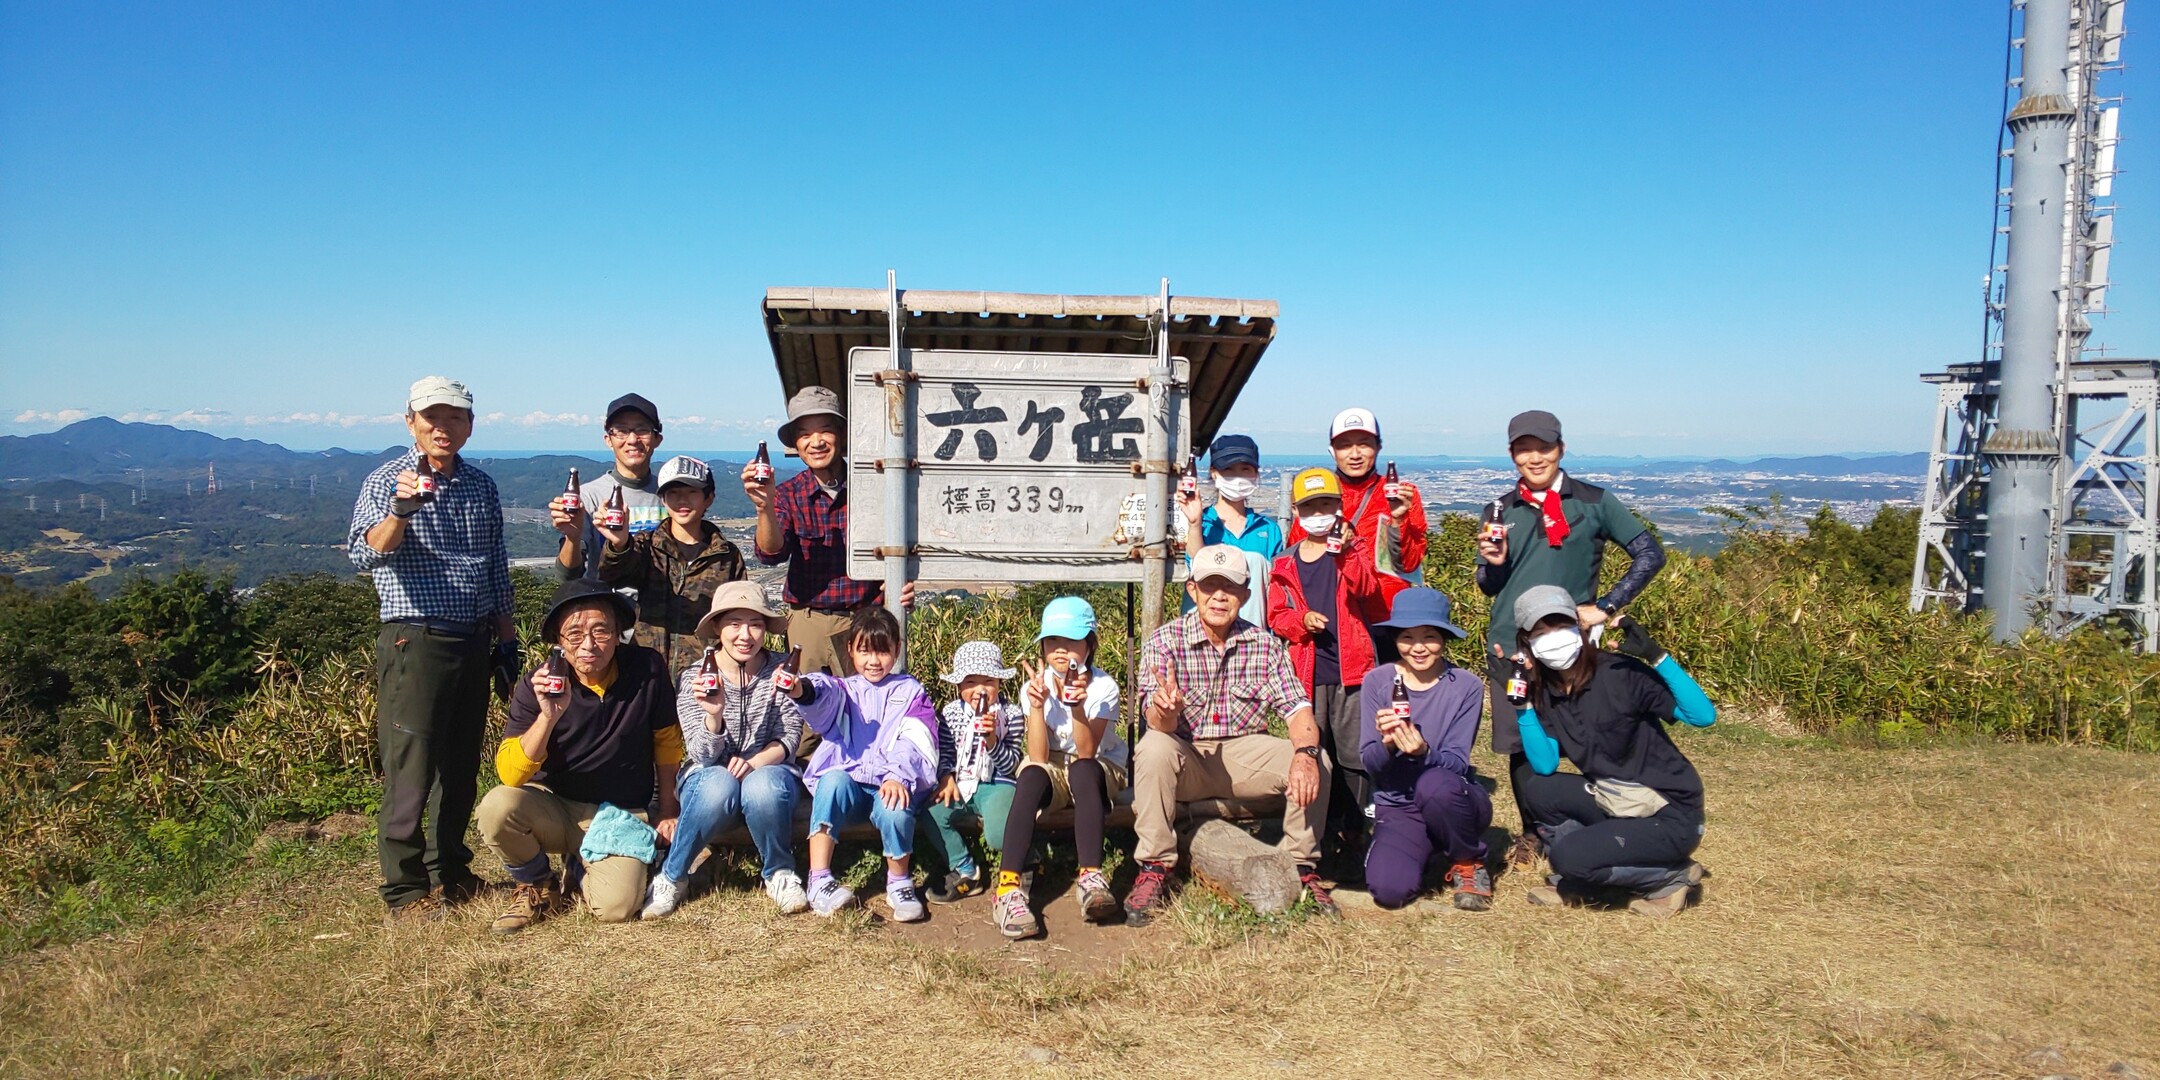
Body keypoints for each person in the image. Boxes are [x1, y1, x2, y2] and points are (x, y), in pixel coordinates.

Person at [346, 376, 516, 923]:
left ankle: (451, 872)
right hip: (414, 637)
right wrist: (400, 511)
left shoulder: (479, 485)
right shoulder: (385, 481)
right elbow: (363, 554)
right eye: (431, 418)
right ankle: (404, 889)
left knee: (460, 765)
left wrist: (506, 638)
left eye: (455, 417)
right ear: (410, 422)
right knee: (412, 767)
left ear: (470, 424)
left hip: (473, 636)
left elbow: (495, 564)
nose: (443, 427)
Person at [1476, 410, 1668, 870]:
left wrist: (1606, 605)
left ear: (1561, 449)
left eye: (1543, 447)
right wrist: (1494, 563)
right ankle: (1533, 833)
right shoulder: (1500, 509)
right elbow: (1488, 585)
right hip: (1511, 647)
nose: (1534, 457)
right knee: (1523, 745)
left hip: (1571, 649)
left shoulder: (1594, 502)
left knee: (1589, 739)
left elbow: (1649, 553)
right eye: (1524, 449)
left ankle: (1608, 825)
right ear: (1511, 454)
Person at [1127, 545, 1333, 926]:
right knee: (1154, 747)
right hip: (1187, 754)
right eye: (1210, 586)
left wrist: (1304, 753)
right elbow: (1156, 722)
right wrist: (1166, 711)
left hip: (1243, 754)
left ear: (1246, 595)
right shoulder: (1164, 641)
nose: (1219, 596)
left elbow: (1298, 710)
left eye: (1230, 587)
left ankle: (1301, 866)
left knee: (1314, 756)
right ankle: (1156, 865)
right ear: (1193, 590)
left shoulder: (1265, 646)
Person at [479, 579, 685, 933]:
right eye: (574, 634)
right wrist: (548, 716)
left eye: (601, 631)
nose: (588, 644)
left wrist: (668, 810)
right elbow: (510, 775)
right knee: (497, 807)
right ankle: (537, 883)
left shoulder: (646, 669)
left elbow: (667, 741)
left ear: (618, 634)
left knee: (617, 908)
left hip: (620, 813)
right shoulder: (538, 685)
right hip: (555, 806)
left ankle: (577, 865)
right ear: (559, 641)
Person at [1509, 585, 1713, 918]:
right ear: (1526, 642)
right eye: (1541, 632)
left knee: (1566, 857)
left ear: (1580, 627)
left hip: (1668, 810)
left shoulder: (1620, 673)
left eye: (1561, 625)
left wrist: (1657, 657)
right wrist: (1523, 707)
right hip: (1616, 799)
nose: (1553, 637)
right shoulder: (1547, 690)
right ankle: (1587, 873)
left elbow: (1702, 716)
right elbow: (1544, 764)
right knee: (1540, 790)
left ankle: (1667, 877)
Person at [1267, 467, 1408, 874]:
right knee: (1315, 749)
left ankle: (1354, 827)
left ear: (1339, 507)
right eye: (1310, 507)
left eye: (1326, 505)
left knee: (1354, 754)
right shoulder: (1285, 562)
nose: (1319, 513)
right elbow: (1277, 615)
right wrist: (1301, 621)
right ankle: (1319, 830)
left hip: (1353, 669)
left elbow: (1367, 588)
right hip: (1308, 671)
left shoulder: (1355, 548)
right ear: (1297, 511)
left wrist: (1344, 552)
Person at [641, 581, 807, 920]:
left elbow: (789, 737)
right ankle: (672, 875)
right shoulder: (696, 677)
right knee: (719, 783)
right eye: (734, 624)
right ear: (717, 627)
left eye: (755, 624)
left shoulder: (783, 670)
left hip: (770, 772)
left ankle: (779, 872)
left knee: (763, 785)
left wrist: (755, 762)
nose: (745, 635)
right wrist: (714, 716)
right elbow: (701, 754)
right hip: (710, 782)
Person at [747, 385, 913, 679]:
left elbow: (904, 542)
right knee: (804, 703)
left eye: (825, 430)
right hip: (807, 621)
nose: (816, 442)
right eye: (805, 434)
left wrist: (900, 578)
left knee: (865, 703)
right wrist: (764, 507)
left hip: (863, 619)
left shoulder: (873, 487)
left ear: (843, 435)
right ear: (796, 444)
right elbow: (770, 554)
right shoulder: (787, 494)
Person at [993, 596, 1129, 939]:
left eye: (1071, 640)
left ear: (1089, 645)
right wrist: (1037, 707)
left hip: (1099, 765)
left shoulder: (1103, 687)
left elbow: (1087, 752)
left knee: (1083, 771)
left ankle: (1091, 877)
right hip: (1052, 762)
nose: (1060, 649)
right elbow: (1038, 756)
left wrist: (1077, 707)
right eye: (1052, 640)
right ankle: (1008, 888)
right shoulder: (1033, 687)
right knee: (1030, 775)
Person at [796, 605, 938, 921]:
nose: (873, 661)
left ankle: (899, 882)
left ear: (897, 649)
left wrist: (897, 775)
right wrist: (801, 689)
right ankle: (819, 880)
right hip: (850, 785)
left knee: (896, 805)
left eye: (882, 651)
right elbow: (820, 693)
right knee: (832, 781)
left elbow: (916, 739)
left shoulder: (911, 691)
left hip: (889, 782)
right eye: (864, 651)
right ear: (850, 649)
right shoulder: (844, 689)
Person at [1357, 588, 1492, 911]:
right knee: (1389, 891)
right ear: (1395, 639)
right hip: (1398, 805)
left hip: (1452, 797)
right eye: (1407, 637)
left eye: (1429, 637)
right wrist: (1388, 745)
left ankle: (1468, 860)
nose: (1418, 648)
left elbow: (1457, 762)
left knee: (1434, 784)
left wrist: (1424, 753)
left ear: (1444, 638)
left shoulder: (1466, 686)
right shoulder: (1377, 681)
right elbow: (1369, 762)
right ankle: (1427, 846)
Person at [597, 455, 746, 675]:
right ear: (663, 500)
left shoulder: (727, 556)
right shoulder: (647, 546)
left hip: (705, 674)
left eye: (692, 492)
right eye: (673, 493)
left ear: (709, 498)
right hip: (646, 672)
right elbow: (613, 574)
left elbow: (740, 615)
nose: (682, 500)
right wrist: (619, 544)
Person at [919, 641, 1025, 906]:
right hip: (961, 784)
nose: (980, 690)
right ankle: (965, 868)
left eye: (988, 681)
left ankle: (1027, 856)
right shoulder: (951, 713)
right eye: (971, 682)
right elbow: (945, 753)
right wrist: (947, 777)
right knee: (931, 814)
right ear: (959, 686)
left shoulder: (1011, 714)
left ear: (1000, 682)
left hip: (998, 783)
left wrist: (992, 740)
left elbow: (1011, 765)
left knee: (998, 836)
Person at [1284, 407, 1429, 582]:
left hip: (1387, 599)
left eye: (1364, 444)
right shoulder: (1315, 495)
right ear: (1332, 450)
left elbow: (1408, 564)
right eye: (1344, 445)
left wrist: (1399, 521)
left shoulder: (1401, 496)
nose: (1355, 454)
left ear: (1377, 447)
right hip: (1330, 597)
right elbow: (1296, 560)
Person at [553, 393, 669, 580]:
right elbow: (568, 576)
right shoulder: (588, 497)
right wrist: (573, 538)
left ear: (657, 439)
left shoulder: (671, 495)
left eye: (642, 430)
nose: (632, 440)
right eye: (621, 431)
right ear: (608, 440)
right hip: (606, 598)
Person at [1179, 434, 1283, 624]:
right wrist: (1194, 524)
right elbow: (1195, 566)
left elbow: (1276, 589)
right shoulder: (1202, 522)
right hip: (1201, 633)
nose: (1238, 477)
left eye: (1245, 469)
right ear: (1214, 472)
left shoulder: (1269, 530)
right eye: (1229, 469)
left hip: (1253, 636)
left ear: (1256, 474)